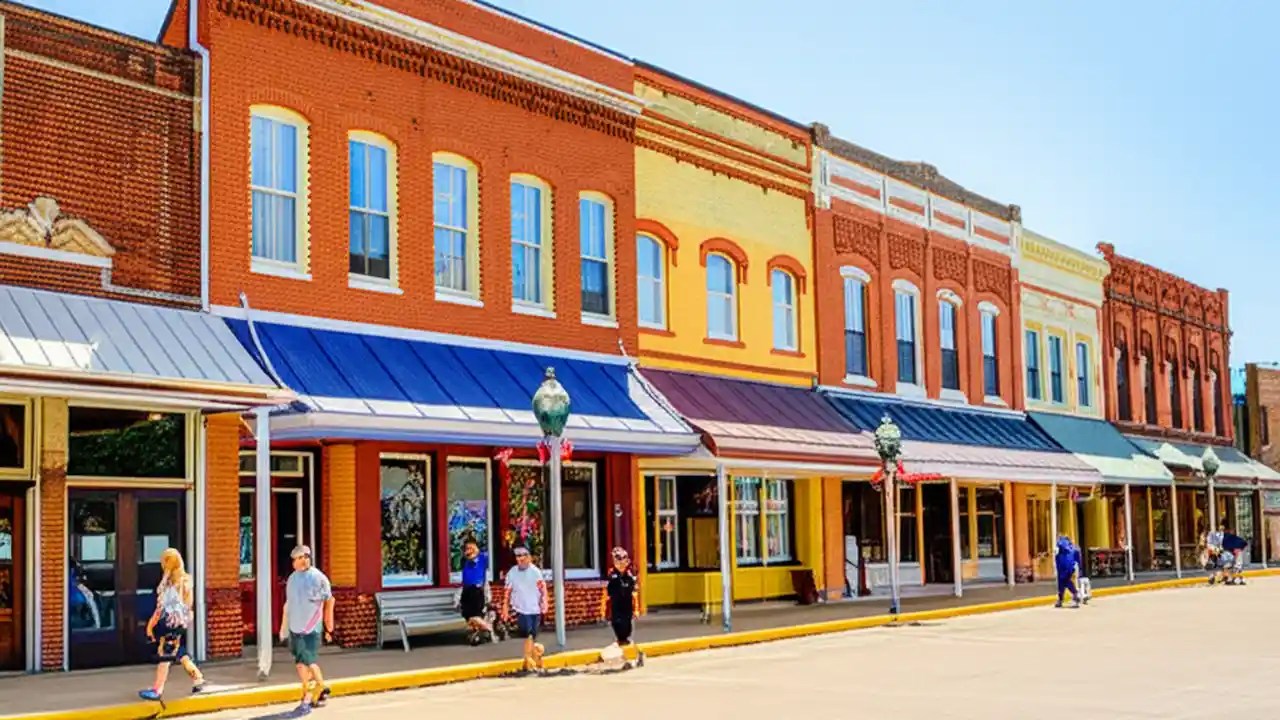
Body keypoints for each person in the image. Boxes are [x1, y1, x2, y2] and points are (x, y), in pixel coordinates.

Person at [139, 549, 205, 700]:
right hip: (180, 622)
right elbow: (189, 605)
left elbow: (160, 607)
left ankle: (157, 690)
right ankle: (197, 678)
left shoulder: (169, 585)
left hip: (168, 622)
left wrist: (150, 626)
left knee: (165, 655)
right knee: (178, 651)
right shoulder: (187, 580)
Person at [279, 545, 335, 715]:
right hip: (295, 626)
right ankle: (313, 691)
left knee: (307, 661)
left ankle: (316, 689)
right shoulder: (292, 579)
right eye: (295, 559)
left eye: (298, 559)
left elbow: (329, 601)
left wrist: (329, 626)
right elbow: (288, 605)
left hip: (311, 627)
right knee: (300, 663)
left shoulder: (319, 578)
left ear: (306, 559)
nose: (295, 562)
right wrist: (284, 627)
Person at [501, 546, 547, 673]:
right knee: (528, 634)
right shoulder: (512, 573)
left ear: (529, 557)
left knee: (532, 635)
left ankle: (534, 656)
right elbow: (507, 591)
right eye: (518, 556)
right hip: (520, 609)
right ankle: (529, 659)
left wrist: (544, 603)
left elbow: (542, 589)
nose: (520, 558)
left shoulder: (535, 572)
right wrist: (505, 608)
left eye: (523, 555)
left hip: (535, 609)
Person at [603, 547, 638, 649]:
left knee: (627, 628)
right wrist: (605, 610)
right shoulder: (611, 576)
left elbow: (634, 593)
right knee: (618, 626)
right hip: (616, 607)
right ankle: (620, 643)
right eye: (618, 561)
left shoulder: (630, 577)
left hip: (627, 607)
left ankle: (628, 647)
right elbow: (607, 594)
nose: (621, 564)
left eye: (624, 560)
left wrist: (636, 609)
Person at [459, 537, 493, 642]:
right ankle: (482, 629)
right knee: (467, 615)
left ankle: (488, 628)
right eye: (467, 549)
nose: (469, 551)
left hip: (477, 591)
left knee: (475, 614)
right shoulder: (464, 561)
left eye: (471, 548)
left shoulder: (482, 558)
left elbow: (479, 555)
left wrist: (474, 549)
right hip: (466, 590)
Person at [1054, 535, 1082, 608]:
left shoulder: (1059, 544)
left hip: (1062, 566)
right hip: (1071, 567)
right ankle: (1061, 600)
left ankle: (1074, 594)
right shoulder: (1073, 547)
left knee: (1063, 582)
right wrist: (1079, 567)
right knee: (1065, 581)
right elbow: (1078, 558)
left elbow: (1056, 555)